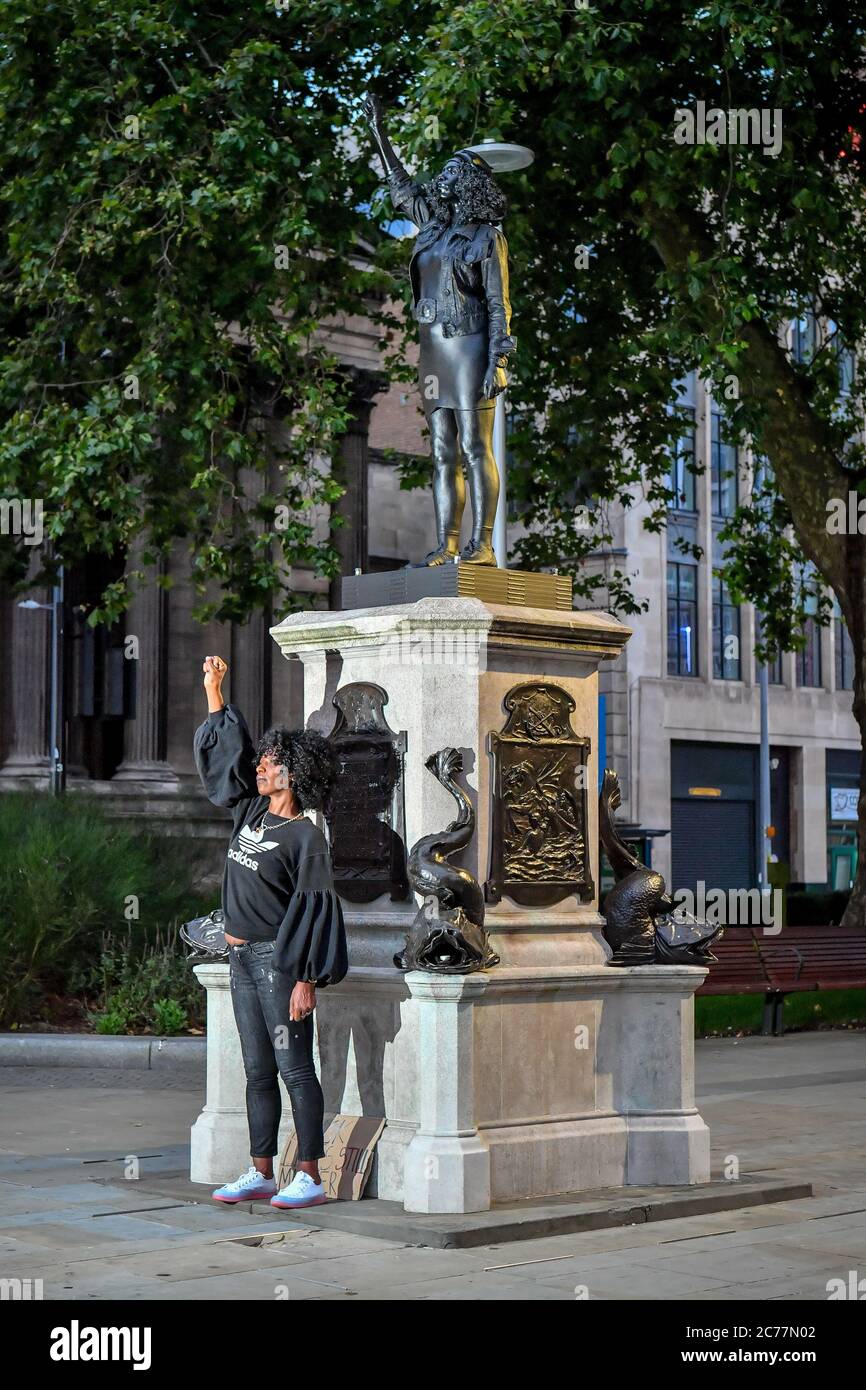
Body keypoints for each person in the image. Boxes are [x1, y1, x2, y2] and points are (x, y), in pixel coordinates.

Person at [194, 654, 348, 1210]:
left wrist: (306, 980)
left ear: (296, 774)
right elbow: (227, 764)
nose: (261, 767)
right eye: (262, 760)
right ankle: (260, 1170)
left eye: (272, 763)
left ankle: (308, 1174)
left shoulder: (306, 839)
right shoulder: (251, 815)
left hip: (278, 966)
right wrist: (215, 691)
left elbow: (315, 912)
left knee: (294, 1070)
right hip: (239, 961)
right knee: (256, 1069)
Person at [362, 93, 516, 567]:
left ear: (467, 183)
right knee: (443, 452)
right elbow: (400, 186)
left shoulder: (486, 238)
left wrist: (500, 360)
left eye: (450, 172)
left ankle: (483, 545)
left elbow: (498, 303)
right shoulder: (431, 228)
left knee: (474, 445)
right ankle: (447, 545)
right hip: (434, 350)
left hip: (470, 347)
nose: (440, 179)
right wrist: (379, 134)